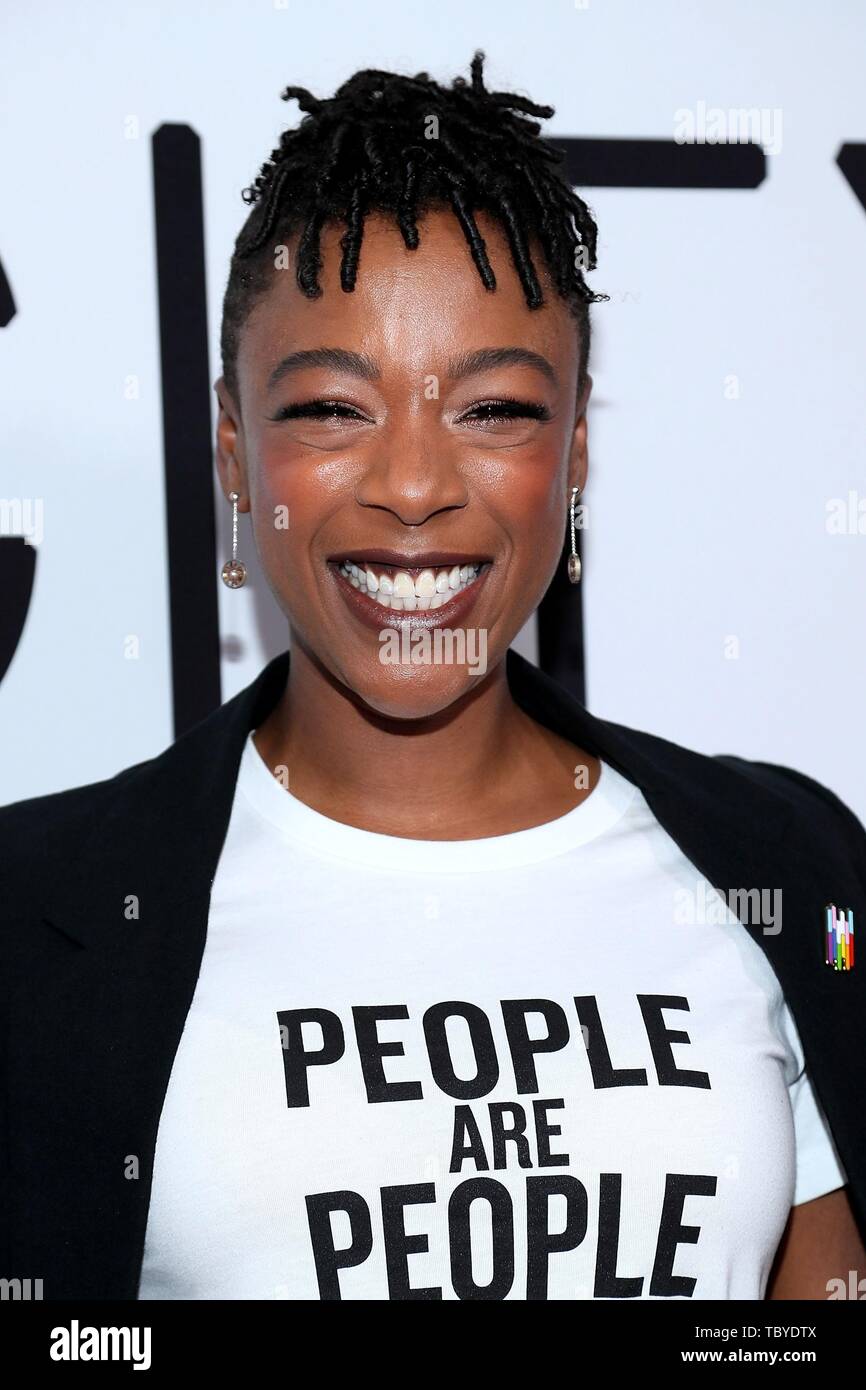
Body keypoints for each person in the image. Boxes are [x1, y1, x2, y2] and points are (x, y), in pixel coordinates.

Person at [2, 51, 865, 1302]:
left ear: (574, 452)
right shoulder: (41, 921)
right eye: (330, 411)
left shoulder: (782, 861)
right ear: (234, 458)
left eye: (495, 408)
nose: (412, 485)